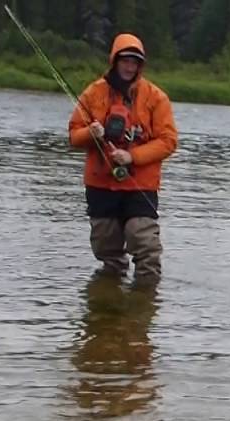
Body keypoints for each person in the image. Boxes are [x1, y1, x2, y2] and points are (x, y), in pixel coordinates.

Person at [68, 33, 178, 286]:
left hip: (139, 184)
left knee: (144, 241)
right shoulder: (94, 93)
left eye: (135, 62)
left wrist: (132, 156)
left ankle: (145, 300)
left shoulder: (155, 97)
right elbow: (74, 137)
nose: (129, 67)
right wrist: (90, 133)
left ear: (141, 65)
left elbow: (168, 141)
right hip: (100, 184)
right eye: (125, 61)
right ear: (115, 61)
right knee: (106, 248)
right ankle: (108, 303)